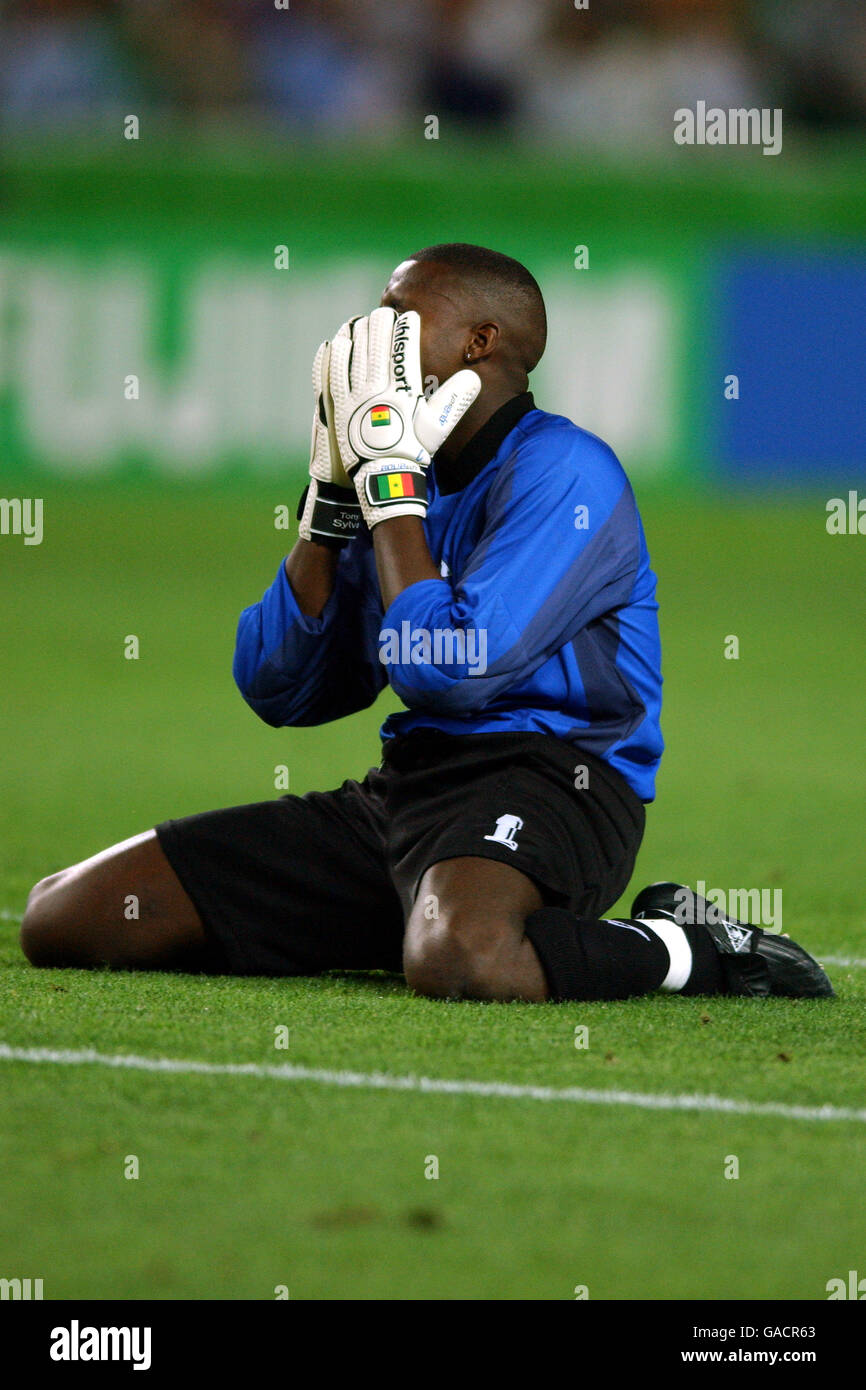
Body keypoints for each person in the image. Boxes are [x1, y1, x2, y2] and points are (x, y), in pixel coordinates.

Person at [19, 243, 833, 1003]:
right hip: (411, 787)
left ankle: (691, 946)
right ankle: (426, 906)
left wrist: (391, 493)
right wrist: (332, 505)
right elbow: (279, 688)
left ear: (481, 341)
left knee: (464, 958)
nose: (372, 339)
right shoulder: (401, 478)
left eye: (400, 316)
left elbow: (448, 668)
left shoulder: (567, 471)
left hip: (560, 783)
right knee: (69, 916)